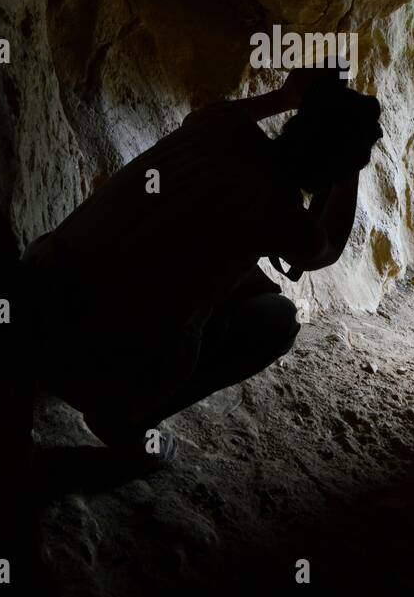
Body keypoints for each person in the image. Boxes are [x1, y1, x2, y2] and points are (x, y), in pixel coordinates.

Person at [21, 69, 382, 466]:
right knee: (277, 319)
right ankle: (126, 417)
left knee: (236, 276)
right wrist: (349, 173)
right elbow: (325, 249)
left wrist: (289, 96)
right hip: (88, 360)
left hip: (34, 304)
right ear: (334, 170)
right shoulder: (277, 210)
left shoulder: (217, 127)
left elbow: (242, 112)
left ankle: (80, 370)